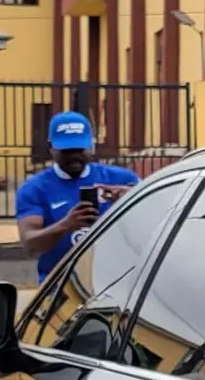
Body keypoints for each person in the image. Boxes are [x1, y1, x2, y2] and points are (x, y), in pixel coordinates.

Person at [15, 111, 140, 281]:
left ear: (92, 146)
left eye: (79, 149)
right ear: (51, 148)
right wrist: (66, 225)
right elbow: (30, 244)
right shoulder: (34, 189)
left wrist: (133, 201)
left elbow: (160, 220)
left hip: (118, 282)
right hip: (60, 287)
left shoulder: (123, 179)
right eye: (66, 150)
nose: (74, 156)